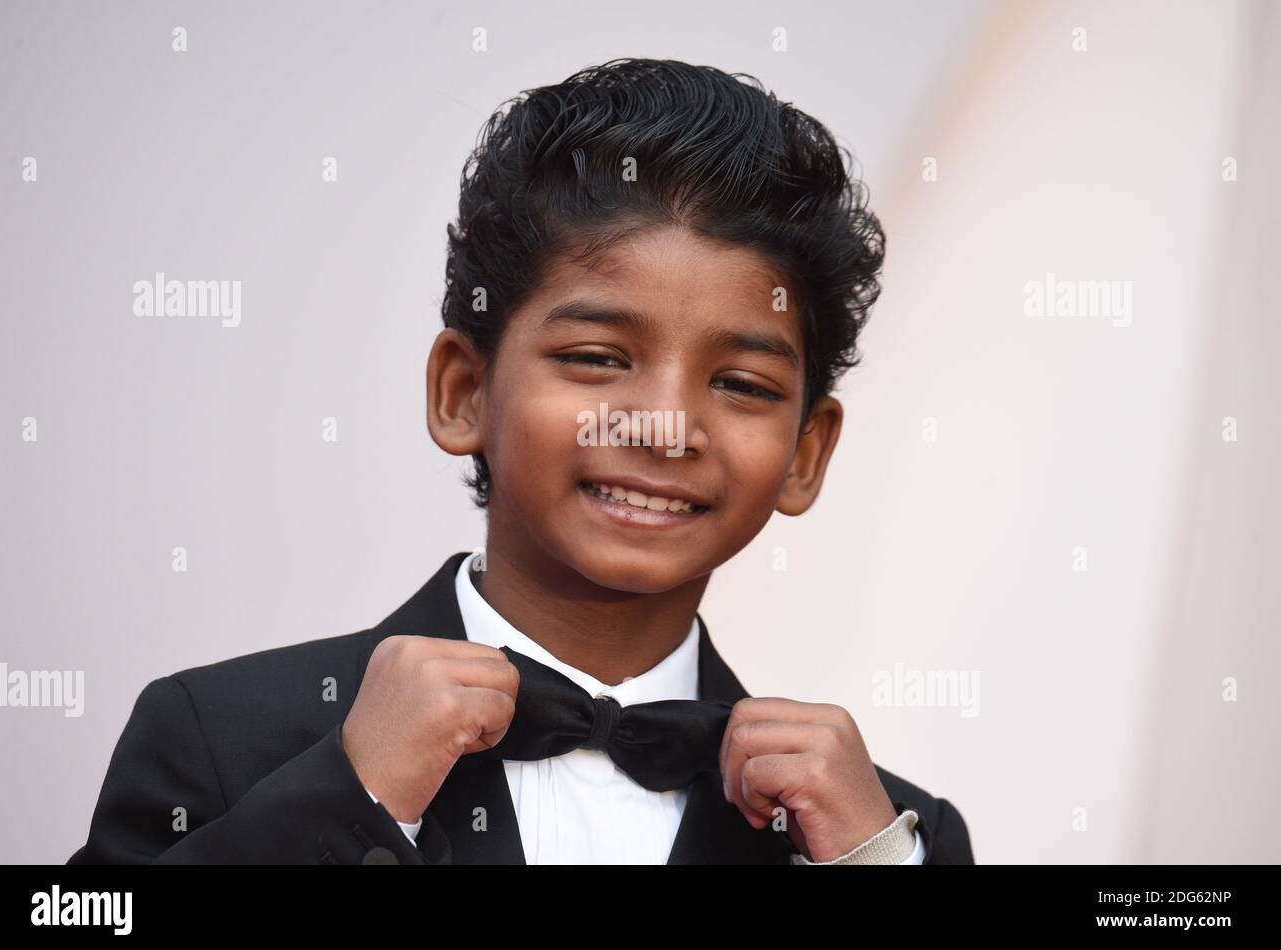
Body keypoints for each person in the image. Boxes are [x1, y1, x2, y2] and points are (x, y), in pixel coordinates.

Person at [68, 58, 974, 865]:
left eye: (739, 383)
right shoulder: (225, 737)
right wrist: (349, 804)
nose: (665, 426)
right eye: (595, 358)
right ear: (464, 391)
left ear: (804, 454)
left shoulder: (882, 831)